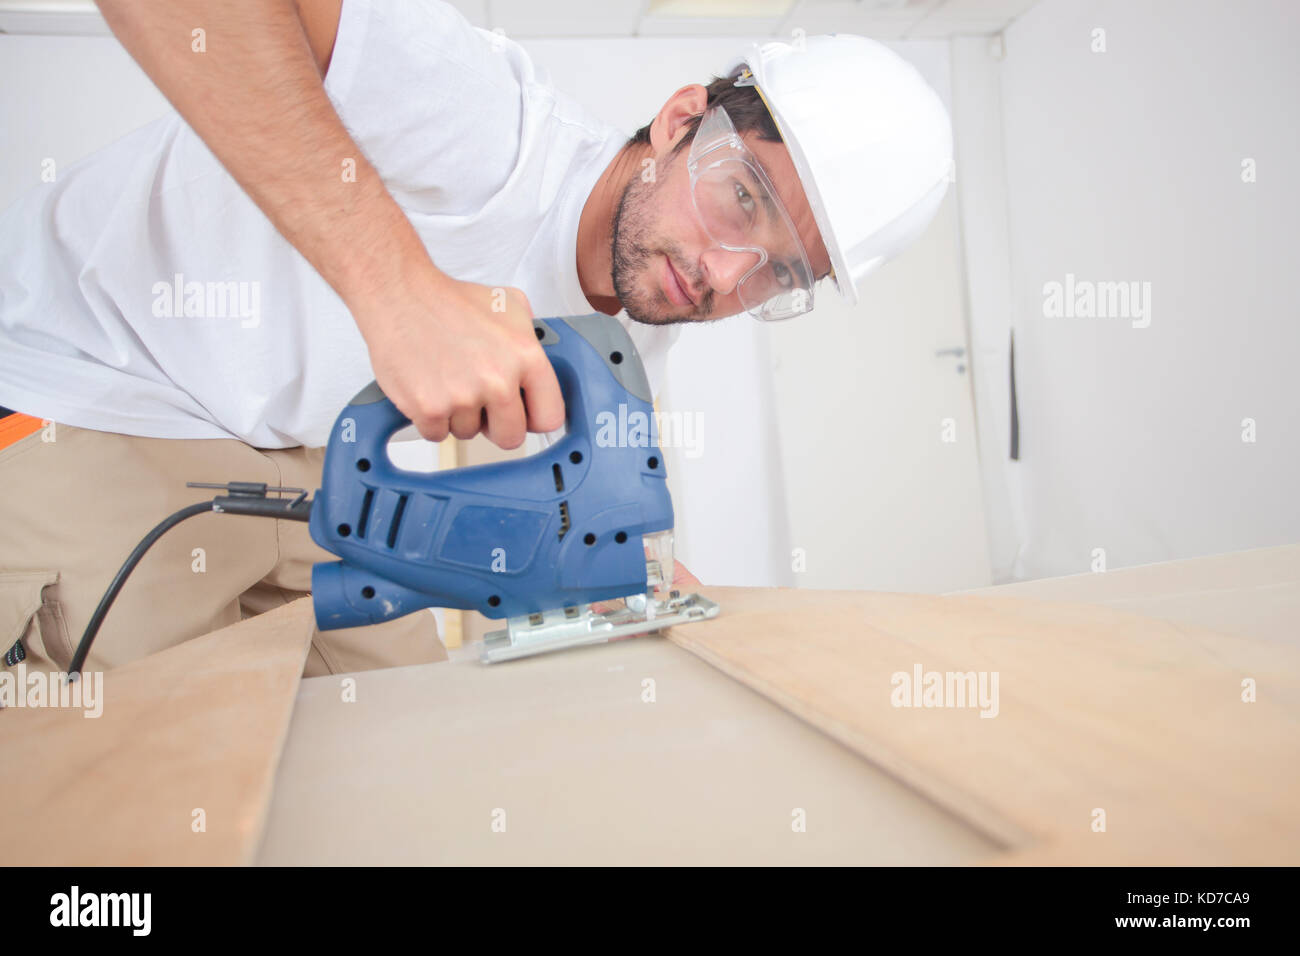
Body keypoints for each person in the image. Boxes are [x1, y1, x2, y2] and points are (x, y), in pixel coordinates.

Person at [0, 0, 951, 677]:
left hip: (297, 455)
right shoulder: (481, 120)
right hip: (100, 381)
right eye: (743, 198)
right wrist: (398, 290)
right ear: (679, 122)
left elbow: (619, 549)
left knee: (405, 742)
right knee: (136, 777)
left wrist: (740, 636)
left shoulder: (633, 336)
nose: (725, 275)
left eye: (780, 272)